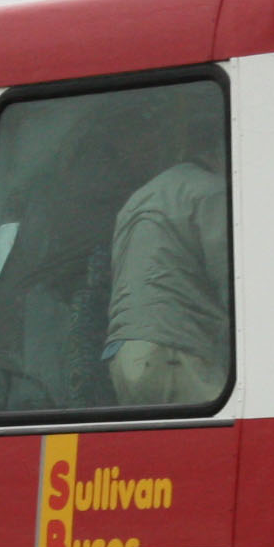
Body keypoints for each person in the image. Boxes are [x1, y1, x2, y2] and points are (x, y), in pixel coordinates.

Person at [103, 130, 231, 408]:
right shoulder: (211, 190)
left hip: (123, 354)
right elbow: (230, 282)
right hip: (173, 349)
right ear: (220, 155)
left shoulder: (138, 198)